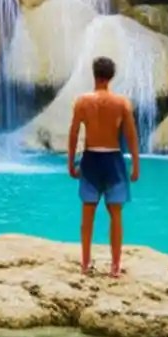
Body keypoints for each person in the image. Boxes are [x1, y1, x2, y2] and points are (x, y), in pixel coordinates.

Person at [67, 56, 139, 278]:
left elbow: (74, 133)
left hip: (90, 159)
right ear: (111, 76)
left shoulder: (82, 102)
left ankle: (86, 263)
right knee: (115, 214)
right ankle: (115, 266)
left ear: (94, 74)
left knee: (87, 213)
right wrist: (136, 164)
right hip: (113, 160)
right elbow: (131, 136)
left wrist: (71, 162)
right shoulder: (122, 104)